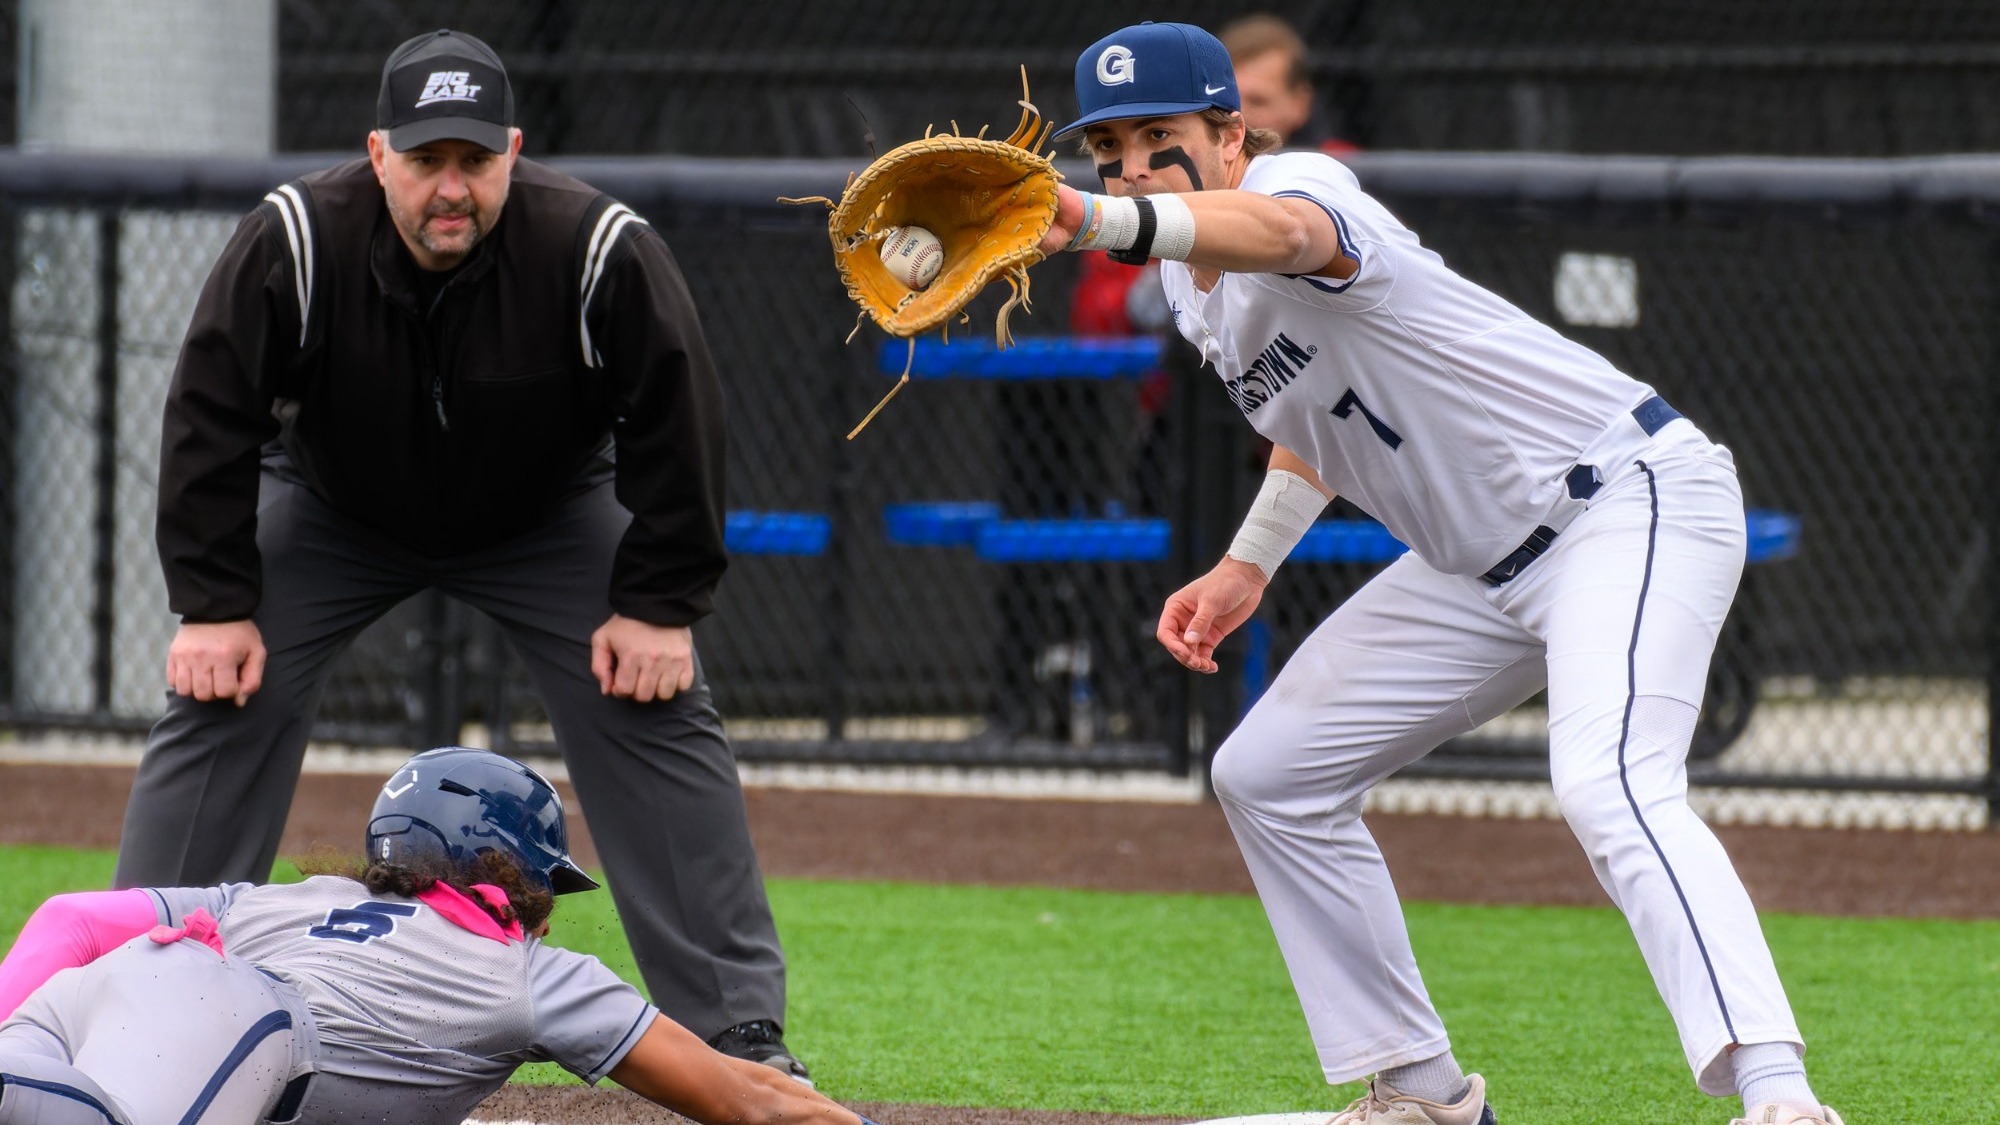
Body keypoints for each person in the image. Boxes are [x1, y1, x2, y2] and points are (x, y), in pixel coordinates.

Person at [1035, 21, 1841, 1125]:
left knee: (1608, 780)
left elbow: (1283, 230)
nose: (1131, 162)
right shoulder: (1187, 284)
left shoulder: (1299, 181)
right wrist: (1246, 564)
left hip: (1621, 501)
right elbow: (1311, 416)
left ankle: (1778, 1097)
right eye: (1108, 147)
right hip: (1474, 569)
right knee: (1269, 775)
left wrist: (1091, 220)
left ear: (1231, 132)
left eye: (1158, 134)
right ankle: (1420, 1094)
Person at [116, 28, 809, 1080]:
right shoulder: (296, 237)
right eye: (427, 159)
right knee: (220, 690)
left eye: (475, 161)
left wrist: (659, 603)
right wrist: (212, 603)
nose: (452, 187)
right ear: (377, 151)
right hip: (334, 504)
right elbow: (209, 414)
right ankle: (131, 987)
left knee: (655, 701)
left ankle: (737, 1033)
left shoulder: (596, 246)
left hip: (545, 511)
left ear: (513, 152)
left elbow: (681, 420)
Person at [0, 746, 875, 1125]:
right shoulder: (529, 973)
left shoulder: (276, 899)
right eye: (545, 883)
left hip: (90, 1004)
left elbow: (67, 920)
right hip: (236, 1023)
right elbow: (747, 1098)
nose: (549, 907)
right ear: (508, 875)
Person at [1217, 12, 1358, 153]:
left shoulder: (1340, 164)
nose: (1237, 114)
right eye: (1225, 100)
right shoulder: (1198, 163)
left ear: (1300, 105)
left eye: (1257, 101)